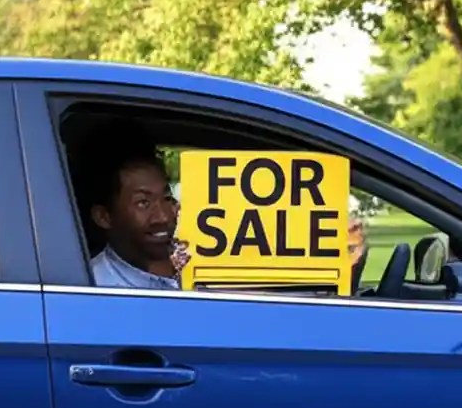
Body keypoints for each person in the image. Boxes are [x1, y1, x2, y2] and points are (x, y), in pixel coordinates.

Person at [81, 119, 365, 290]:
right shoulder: (90, 285)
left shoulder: (205, 258)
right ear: (104, 216)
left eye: (167, 198)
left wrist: (338, 267)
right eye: (143, 203)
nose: (164, 216)